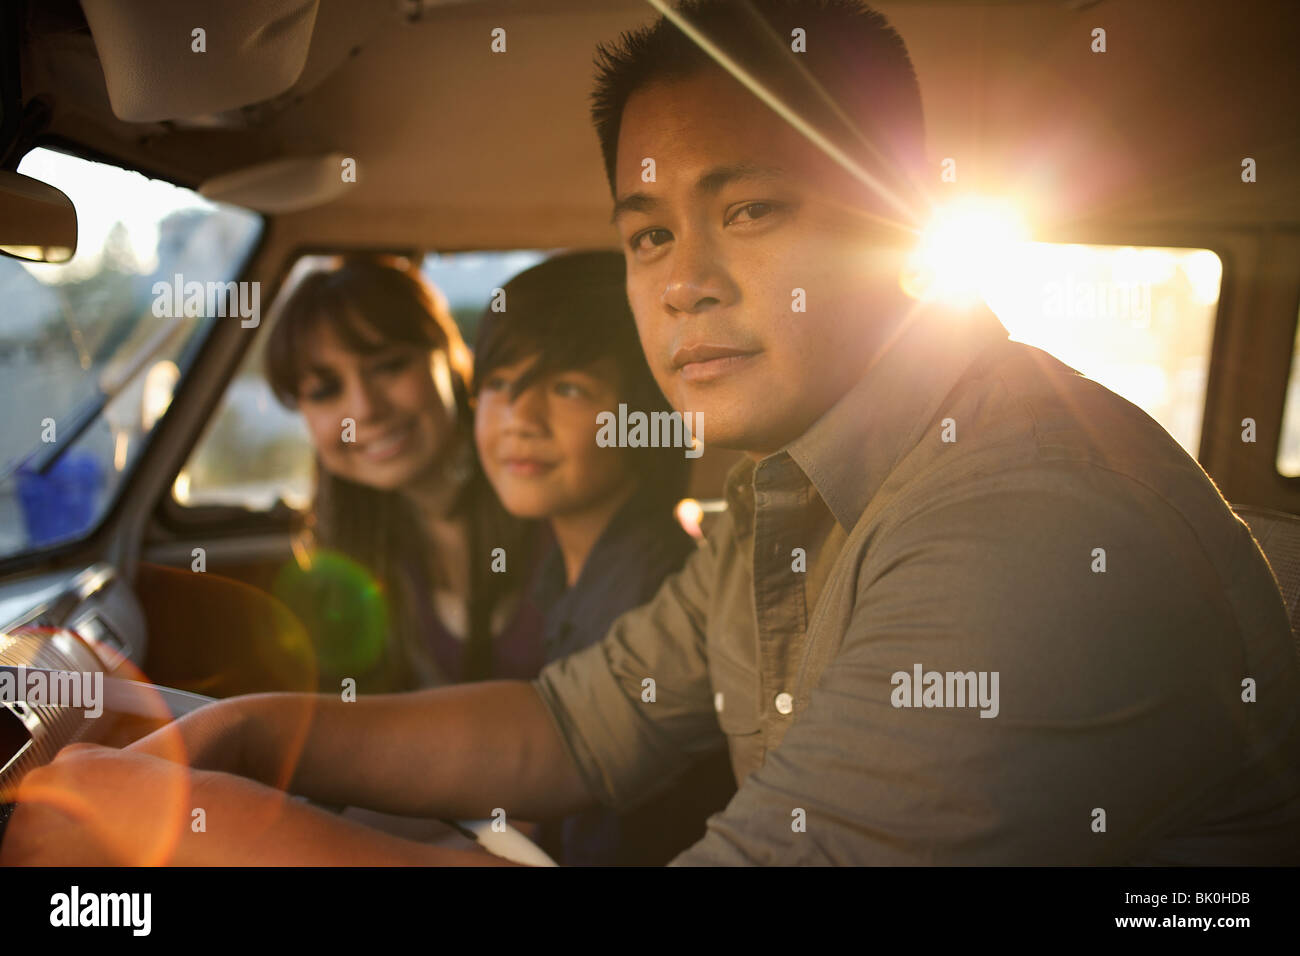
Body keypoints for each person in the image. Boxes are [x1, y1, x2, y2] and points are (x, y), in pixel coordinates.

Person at [7, 0, 1300, 866]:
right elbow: (572, 727)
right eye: (648, 233)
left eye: (749, 212)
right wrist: (237, 735)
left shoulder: (1027, 530)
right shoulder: (778, 504)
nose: (683, 283)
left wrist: (177, 825)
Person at [472, 250, 736, 865]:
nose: (519, 417)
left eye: (567, 387)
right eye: (500, 384)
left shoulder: (655, 590)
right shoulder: (564, 567)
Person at [263, 256, 543, 691]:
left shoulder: (548, 495)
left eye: (389, 366)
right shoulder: (357, 540)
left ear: (448, 360)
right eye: (325, 391)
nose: (365, 409)